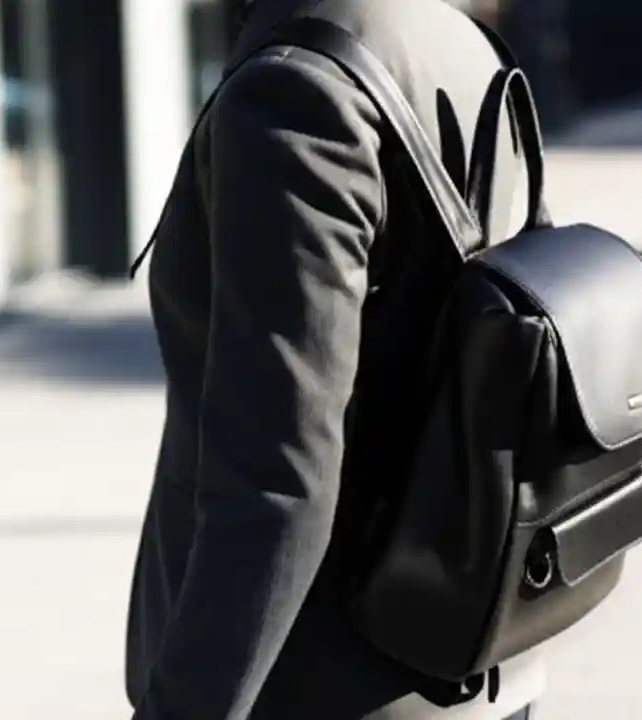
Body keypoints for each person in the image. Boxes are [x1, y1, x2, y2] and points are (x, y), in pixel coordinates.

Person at [125, 0, 542, 718]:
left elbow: (277, 481)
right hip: (481, 655)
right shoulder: (455, 37)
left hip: (324, 681)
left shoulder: (293, 93)